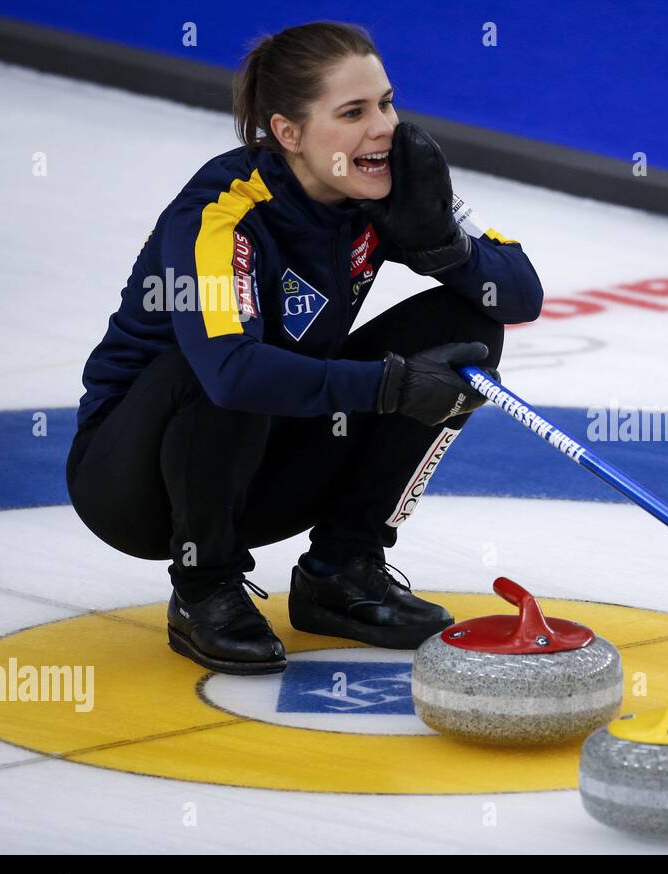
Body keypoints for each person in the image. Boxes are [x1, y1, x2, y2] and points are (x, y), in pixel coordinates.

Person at [65, 21, 543, 676]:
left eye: (386, 103)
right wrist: (393, 386)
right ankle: (204, 589)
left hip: (266, 463)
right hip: (133, 484)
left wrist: (444, 245)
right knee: (217, 361)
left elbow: (519, 297)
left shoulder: (378, 185)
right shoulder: (224, 210)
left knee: (466, 332)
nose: (384, 128)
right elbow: (230, 375)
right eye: (353, 113)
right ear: (289, 133)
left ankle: (340, 570)